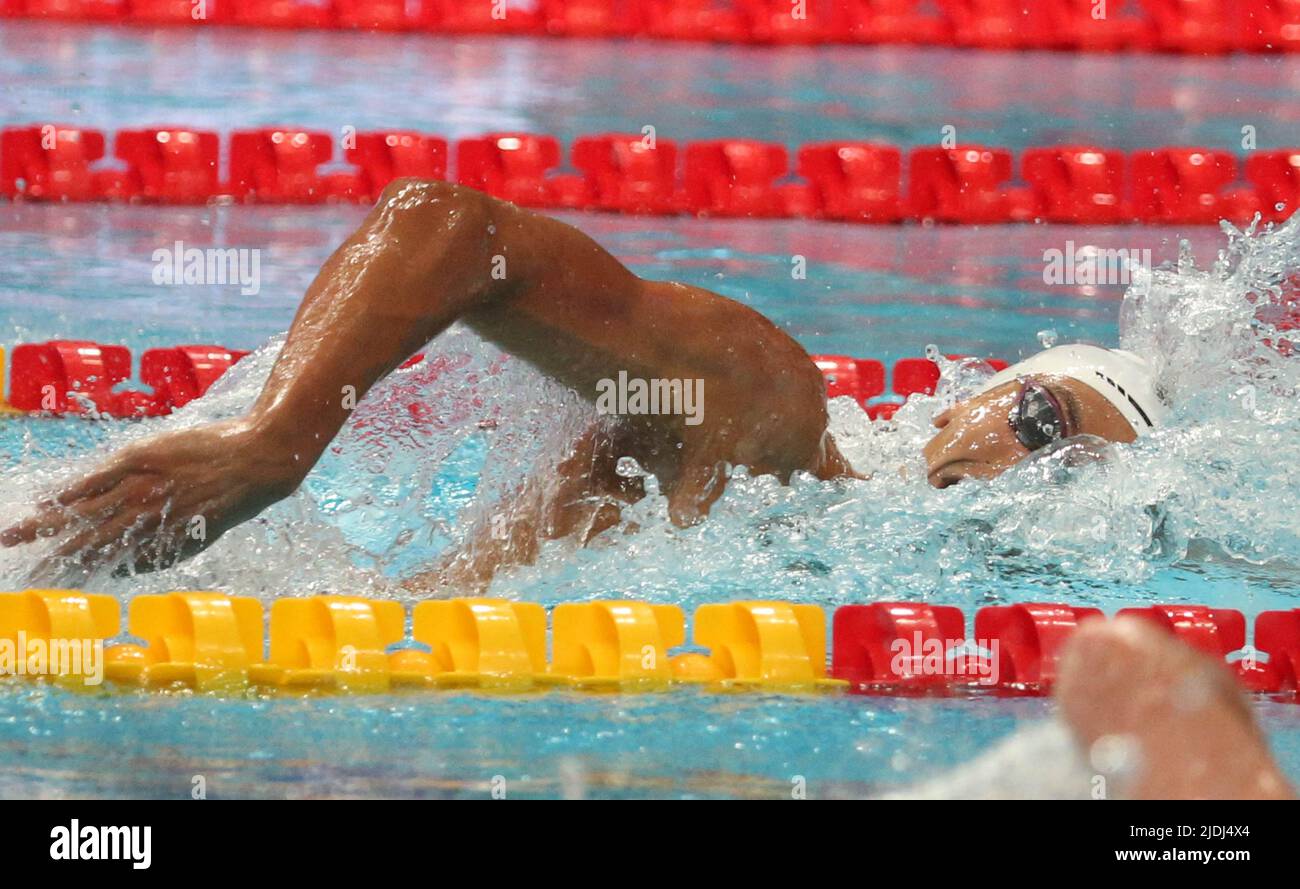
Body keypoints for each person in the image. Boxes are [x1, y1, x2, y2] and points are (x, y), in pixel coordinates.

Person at [0, 179, 1170, 584]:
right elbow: (450, 226)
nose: (1033, 464)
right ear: (971, 391)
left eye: (1069, 466)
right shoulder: (770, 406)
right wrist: (275, 444)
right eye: (1040, 417)